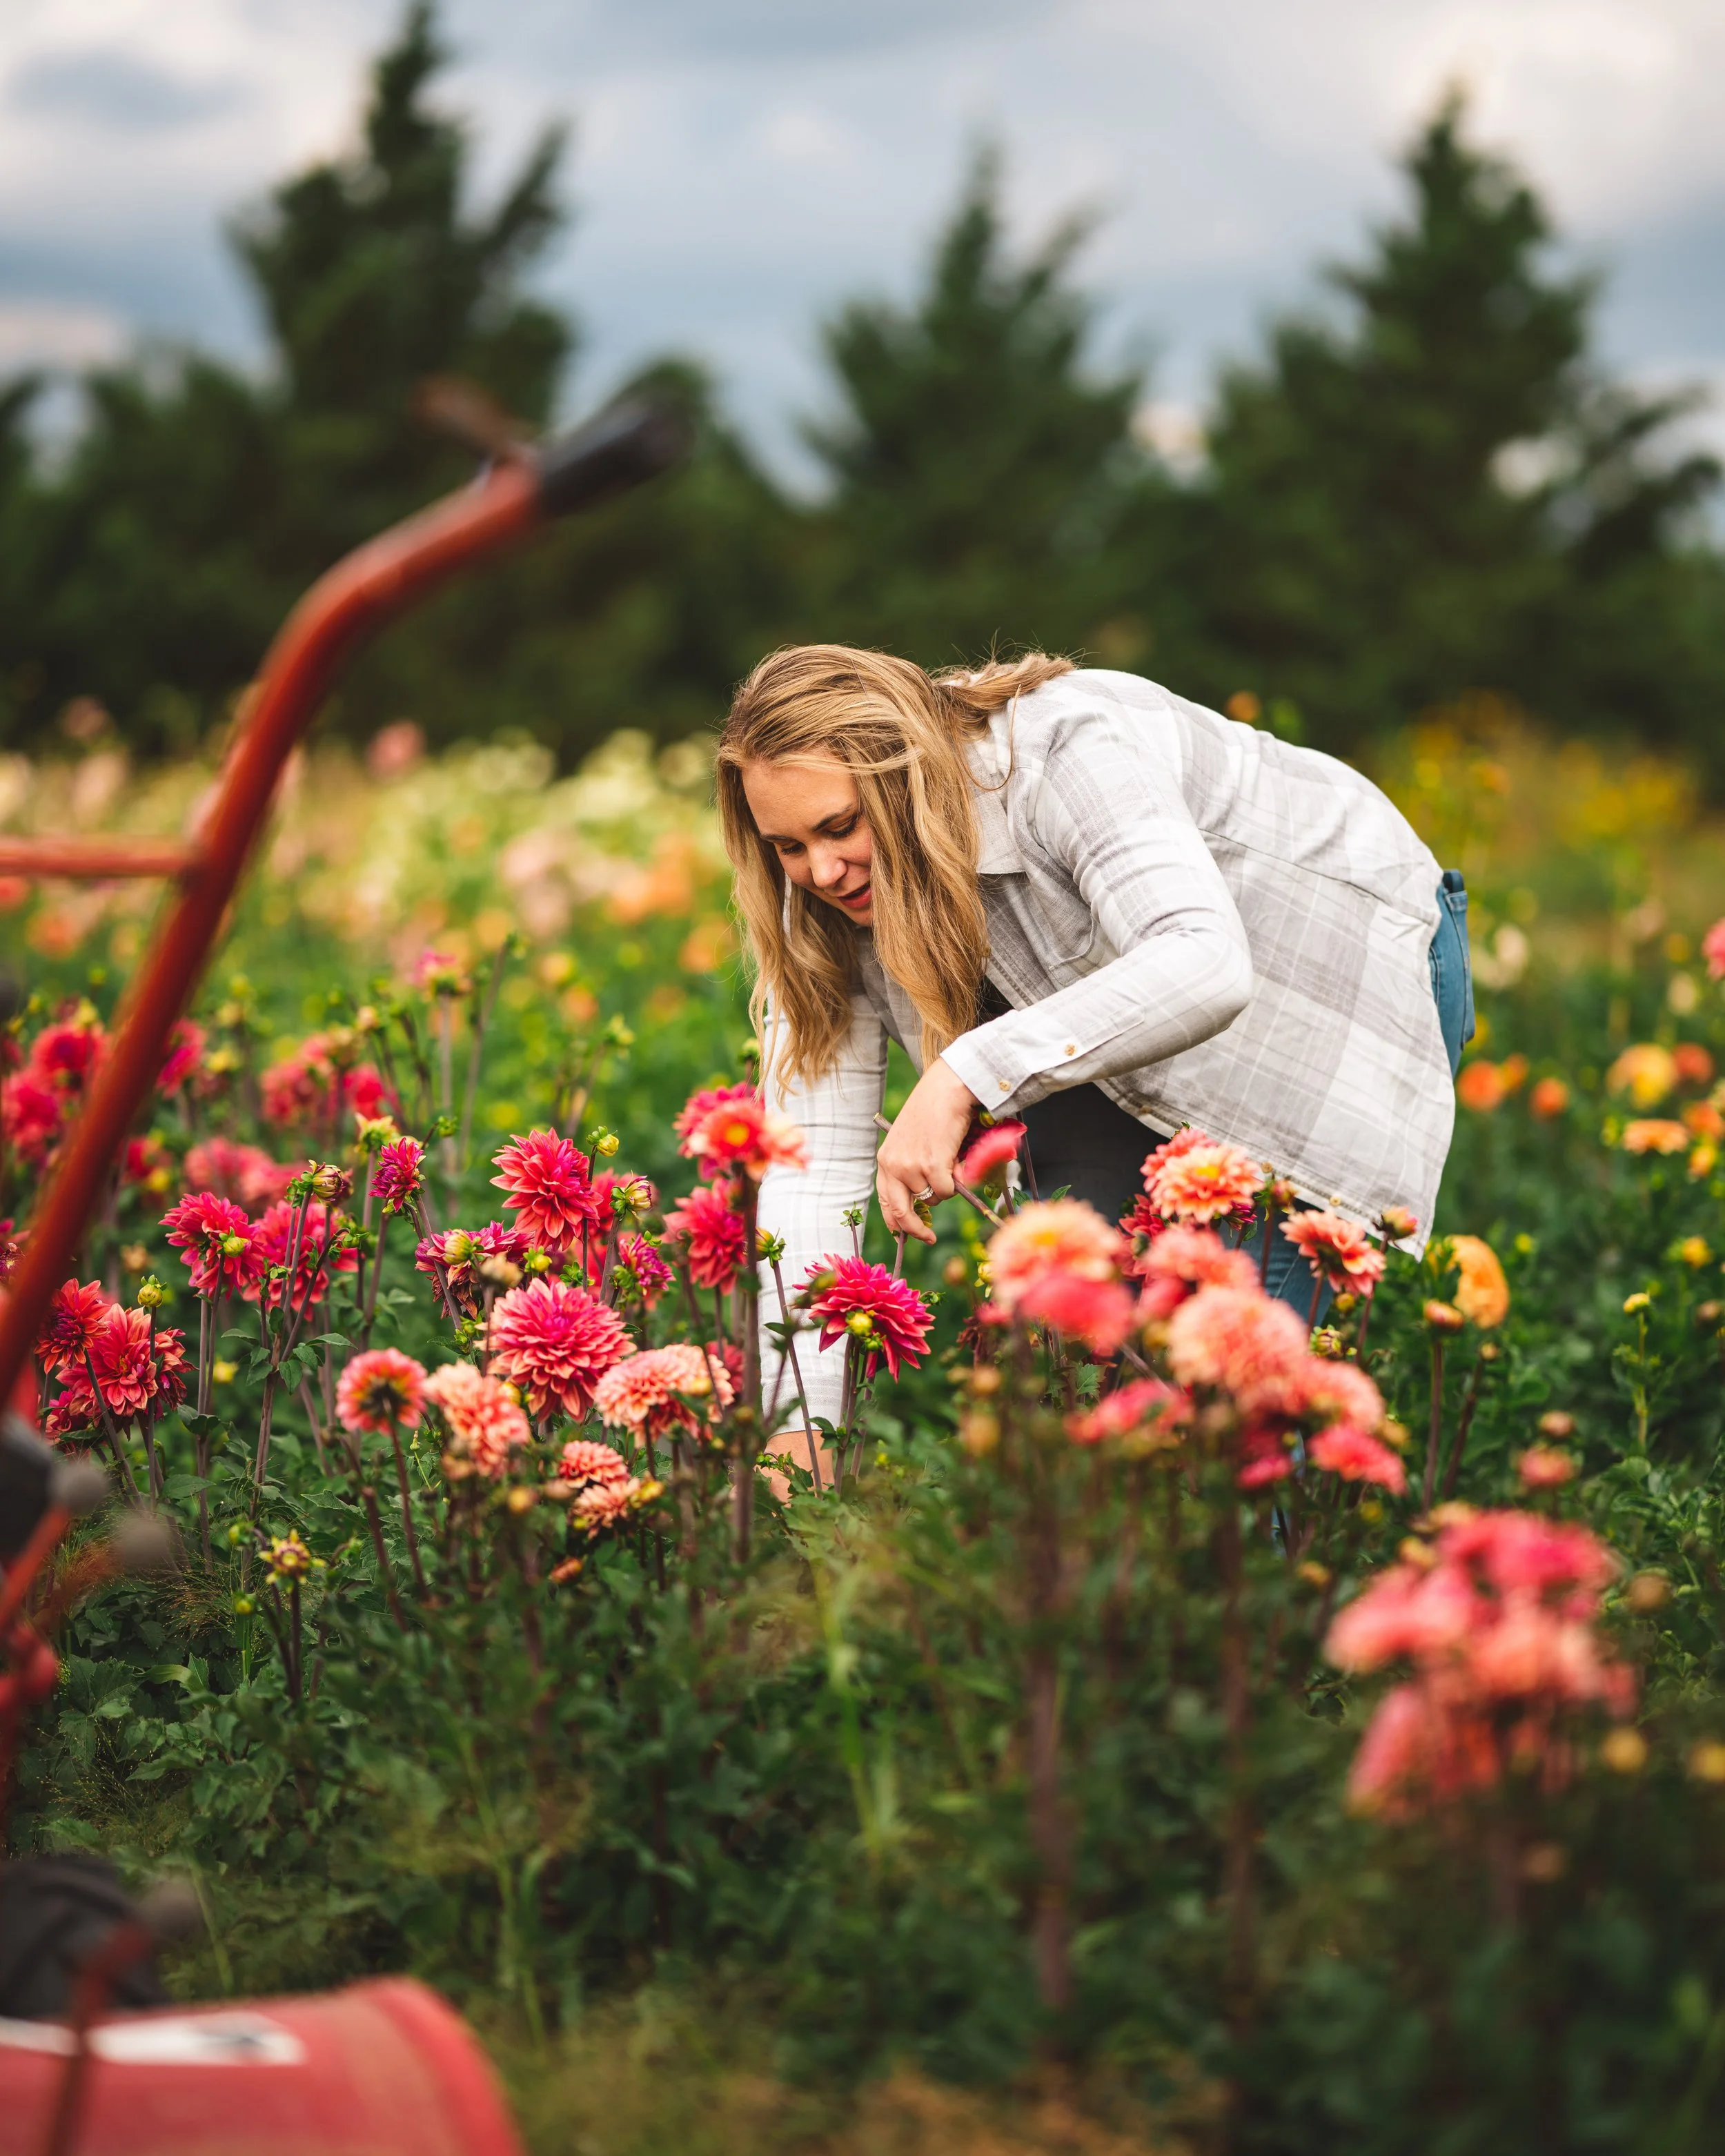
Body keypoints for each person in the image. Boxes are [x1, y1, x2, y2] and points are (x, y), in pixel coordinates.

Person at [716, 646, 1472, 1430]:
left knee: (1232, 1413)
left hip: (1326, 966)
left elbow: (1203, 960)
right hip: (1098, 1023)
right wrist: (796, 1442)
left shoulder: (1063, 748)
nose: (824, 869)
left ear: (906, 778)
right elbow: (811, 1175)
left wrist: (962, 1073)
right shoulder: (816, 897)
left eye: (841, 826)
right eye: (788, 845)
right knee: (1084, 1384)